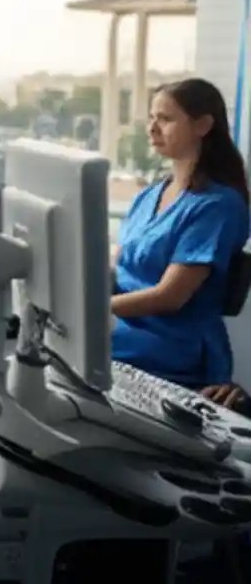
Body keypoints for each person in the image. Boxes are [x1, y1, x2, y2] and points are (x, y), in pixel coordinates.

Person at [112, 78, 250, 392]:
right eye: (151, 117)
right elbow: (120, 266)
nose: (152, 128)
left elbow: (169, 297)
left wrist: (90, 308)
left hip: (170, 350)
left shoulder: (217, 206)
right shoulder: (147, 197)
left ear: (202, 125)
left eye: (165, 119)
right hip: (125, 336)